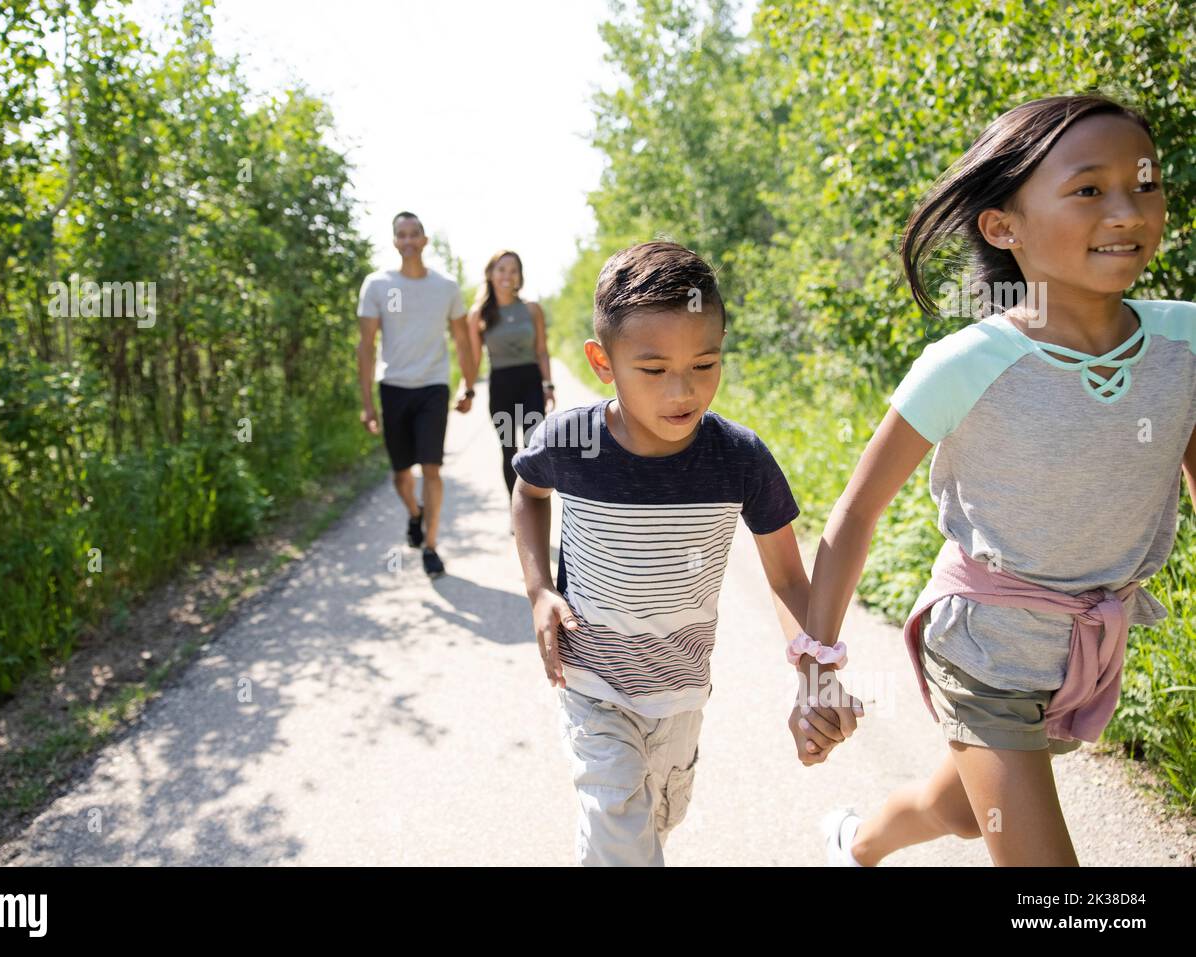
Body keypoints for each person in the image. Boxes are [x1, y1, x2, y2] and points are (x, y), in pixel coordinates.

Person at [802, 94, 1196, 866]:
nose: (1126, 210)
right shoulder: (969, 363)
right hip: (981, 649)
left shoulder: (1186, 341)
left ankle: (854, 844)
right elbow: (854, 515)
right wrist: (816, 668)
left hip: (1083, 652)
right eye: (1089, 190)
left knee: (952, 806)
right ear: (1002, 225)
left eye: (1144, 183)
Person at [510, 241, 860, 866]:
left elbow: (785, 577)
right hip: (591, 685)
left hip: (681, 694)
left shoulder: (738, 458)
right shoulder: (571, 441)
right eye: (653, 369)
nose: (683, 391)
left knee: (656, 823)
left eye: (705, 364)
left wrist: (816, 673)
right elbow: (529, 492)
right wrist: (540, 589)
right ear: (603, 361)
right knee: (621, 830)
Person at [357, 211, 480, 578]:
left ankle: (430, 545)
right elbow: (365, 346)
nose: (408, 241)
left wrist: (468, 386)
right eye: (401, 235)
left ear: (425, 240)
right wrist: (367, 405)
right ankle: (414, 513)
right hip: (393, 387)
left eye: (415, 234)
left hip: (433, 387)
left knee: (432, 468)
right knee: (401, 475)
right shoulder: (377, 285)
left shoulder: (445, 287)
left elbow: (462, 340)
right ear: (395, 241)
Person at [466, 250, 556, 520]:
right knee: (508, 450)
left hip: (530, 382)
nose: (507, 275)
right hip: (501, 385)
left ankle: (534, 507)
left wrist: (548, 384)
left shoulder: (531, 309)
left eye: (513, 270)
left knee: (533, 447)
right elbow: (473, 358)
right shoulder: (479, 314)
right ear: (491, 274)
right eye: (502, 269)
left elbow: (541, 350)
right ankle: (516, 510)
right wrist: (466, 388)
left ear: (520, 276)